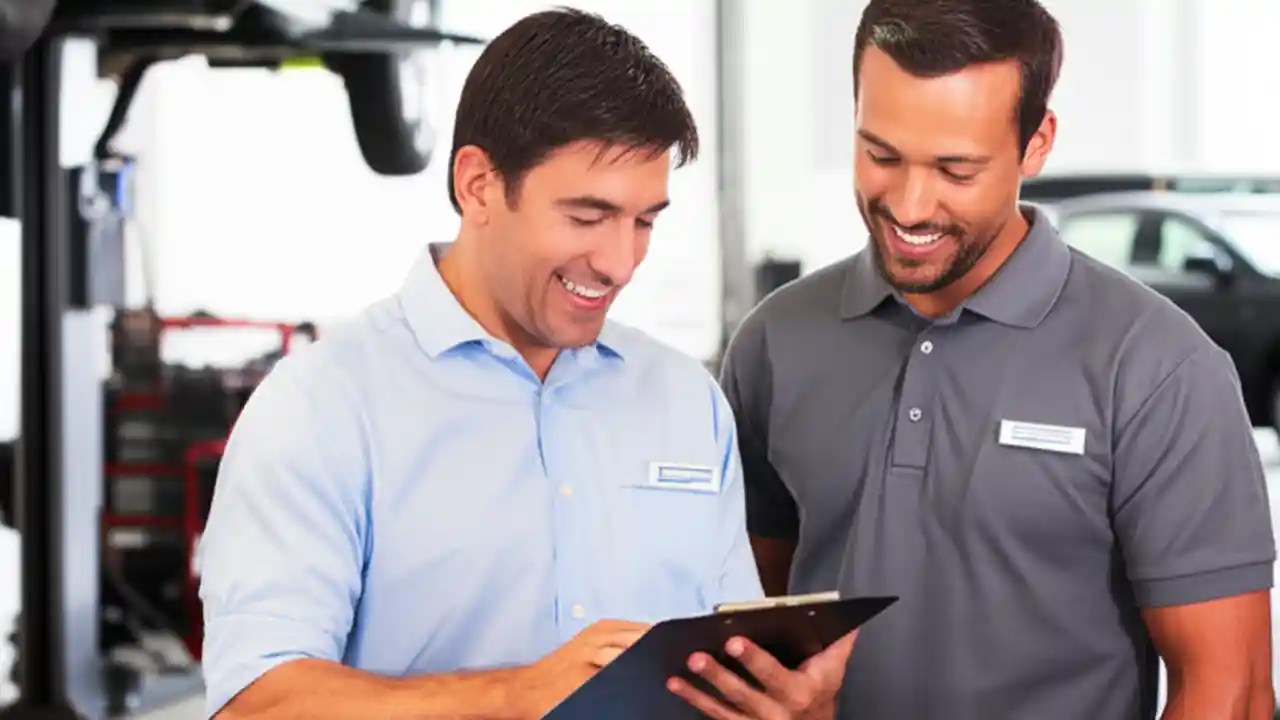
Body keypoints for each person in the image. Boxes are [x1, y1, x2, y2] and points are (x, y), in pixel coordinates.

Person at [198, 8, 855, 720]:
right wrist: (515, 695)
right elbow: (255, 704)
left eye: (644, 220)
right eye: (587, 217)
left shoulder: (684, 401)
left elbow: (732, 681)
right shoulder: (321, 407)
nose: (620, 262)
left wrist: (794, 706)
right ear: (478, 184)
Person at [719, 1, 1276, 719]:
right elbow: (752, 628)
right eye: (882, 156)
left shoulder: (1157, 366)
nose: (910, 205)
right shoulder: (776, 341)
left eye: (956, 169)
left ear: (1036, 144)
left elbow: (1230, 692)